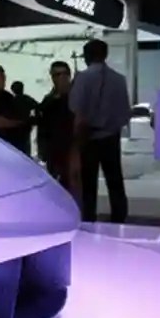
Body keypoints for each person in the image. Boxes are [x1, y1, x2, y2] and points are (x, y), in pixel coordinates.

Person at [69, 39, 131, 223]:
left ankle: (88, 219)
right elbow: (125, 112)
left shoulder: (83, 78)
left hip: (89, 136)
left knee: (89, 182)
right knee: (115, 180)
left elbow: (76, 109)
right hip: (111, 136)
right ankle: (119, 218)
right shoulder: (119, 79)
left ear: (87, 56)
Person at [36, 61, 75, 189]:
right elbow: (43, 126)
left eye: (63, 74)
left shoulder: (76, 98)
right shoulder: (48, 100)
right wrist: (42, 149)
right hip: (54, 151)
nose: (60, 78)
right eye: (56, 75)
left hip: (73, 149)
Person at [10, 80, 39, 154]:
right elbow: (38, 107)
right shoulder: (26, 99)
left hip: (18, 127)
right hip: (23, 126)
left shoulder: (12, 101)